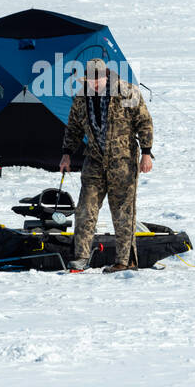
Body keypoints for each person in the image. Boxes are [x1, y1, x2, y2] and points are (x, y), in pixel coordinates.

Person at [58, 59, 154, 273]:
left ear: (106, 77)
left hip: (123, 161)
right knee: (85, 209)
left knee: (123, 212)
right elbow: (73, 127)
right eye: (89, 80)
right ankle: (81, 257)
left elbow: (144, 122)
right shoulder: (82, 98)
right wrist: (66, 154)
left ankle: (125, 260)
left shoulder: (127, 92)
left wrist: (146, 154)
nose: (94, 84)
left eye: (97, 79)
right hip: (94, 160)